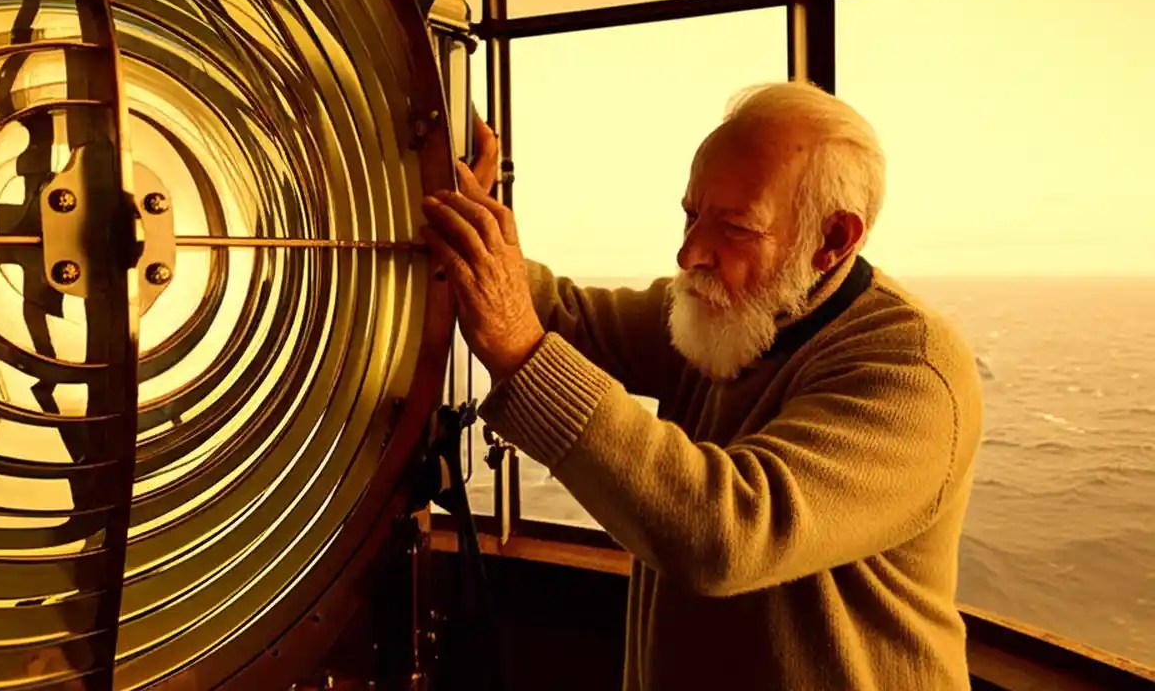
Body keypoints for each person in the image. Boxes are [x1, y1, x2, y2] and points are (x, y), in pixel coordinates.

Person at [419, 81, 983, 691]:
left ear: (833, 240)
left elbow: (729, 534)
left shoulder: (909, 369)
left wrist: (521, 350)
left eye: (735, 228)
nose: (690, 253)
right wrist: (457, 206)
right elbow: (562, 317)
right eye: (692, 215)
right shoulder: (731, 309)